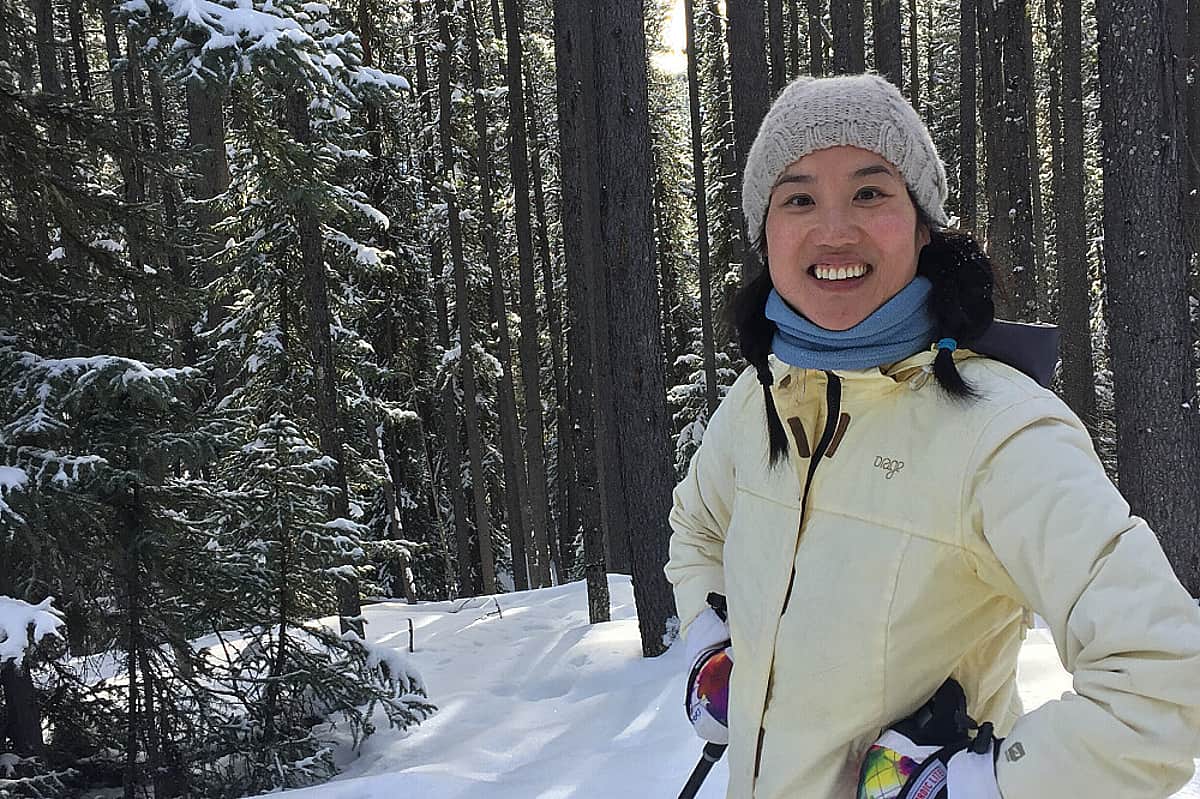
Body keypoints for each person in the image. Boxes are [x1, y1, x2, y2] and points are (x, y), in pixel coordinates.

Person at [663, 73, 1200, 799]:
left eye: (870, 192)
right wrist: (713, 646)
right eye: (798, 198)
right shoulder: (761, 394)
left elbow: (1163, 683)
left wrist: (974, 786)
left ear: (922, 223)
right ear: (767, 233)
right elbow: (695, 529)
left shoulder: (1003, 433)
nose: (834, 230)